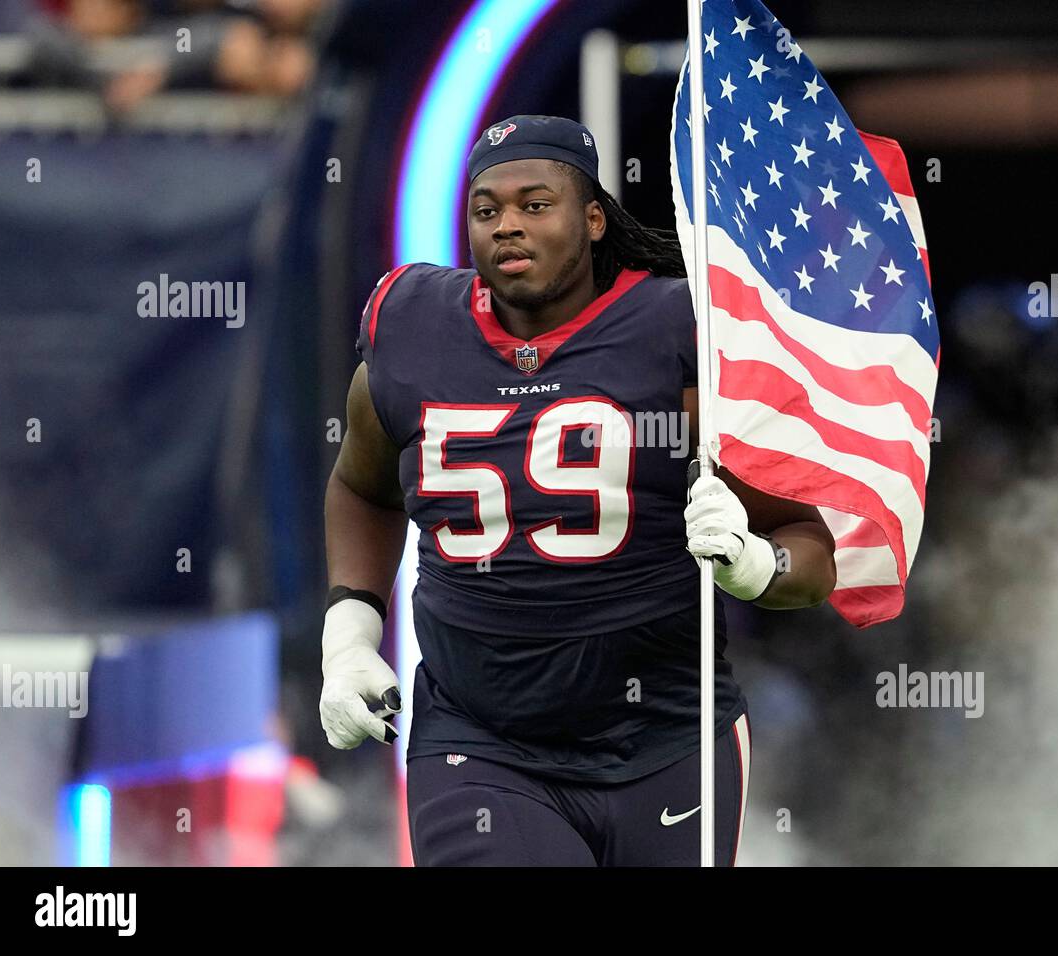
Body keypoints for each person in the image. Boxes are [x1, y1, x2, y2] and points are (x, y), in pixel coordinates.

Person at [319, 115, 836, 866]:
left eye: (535, 204)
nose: (508, 226)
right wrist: (350, 637)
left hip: (665, 738)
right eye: (487, 209)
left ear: (594, 219)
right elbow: (363, 487)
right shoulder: (413, 331)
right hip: (481, 740)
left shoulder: (675, 335)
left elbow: (810, 548)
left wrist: (756, 566)